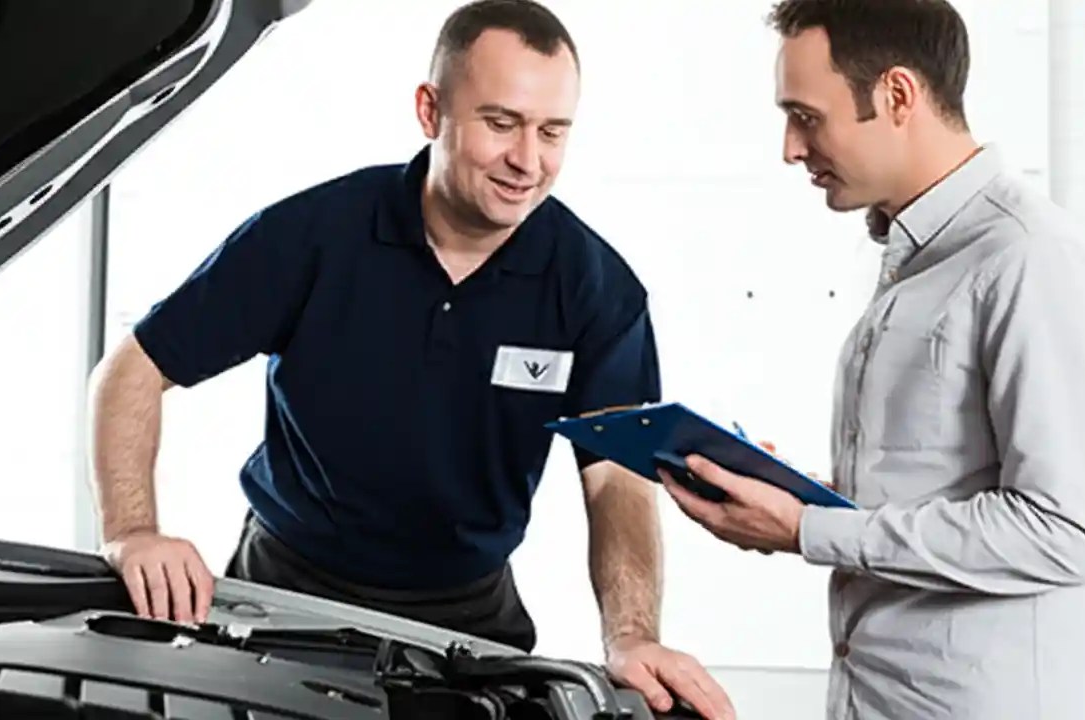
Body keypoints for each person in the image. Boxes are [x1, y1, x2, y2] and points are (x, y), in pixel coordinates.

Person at [88, 1, 734, 717]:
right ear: (431, 110)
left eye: (552, 132)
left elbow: (617, 477)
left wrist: (633, 635)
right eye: (501, 123)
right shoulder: (313, 237)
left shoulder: (594, 287)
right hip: (284, 594)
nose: (528, 160)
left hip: (467, 618)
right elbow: (134, 369)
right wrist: (132, 530)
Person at [661, 1, 1085, 718]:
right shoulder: (914, 260)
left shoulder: (1032, 264)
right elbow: (937, 488)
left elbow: (1066, 534)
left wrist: (807, 528)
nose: (791, 147)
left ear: (896, 96)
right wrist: (792, 497)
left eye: (807, 116)